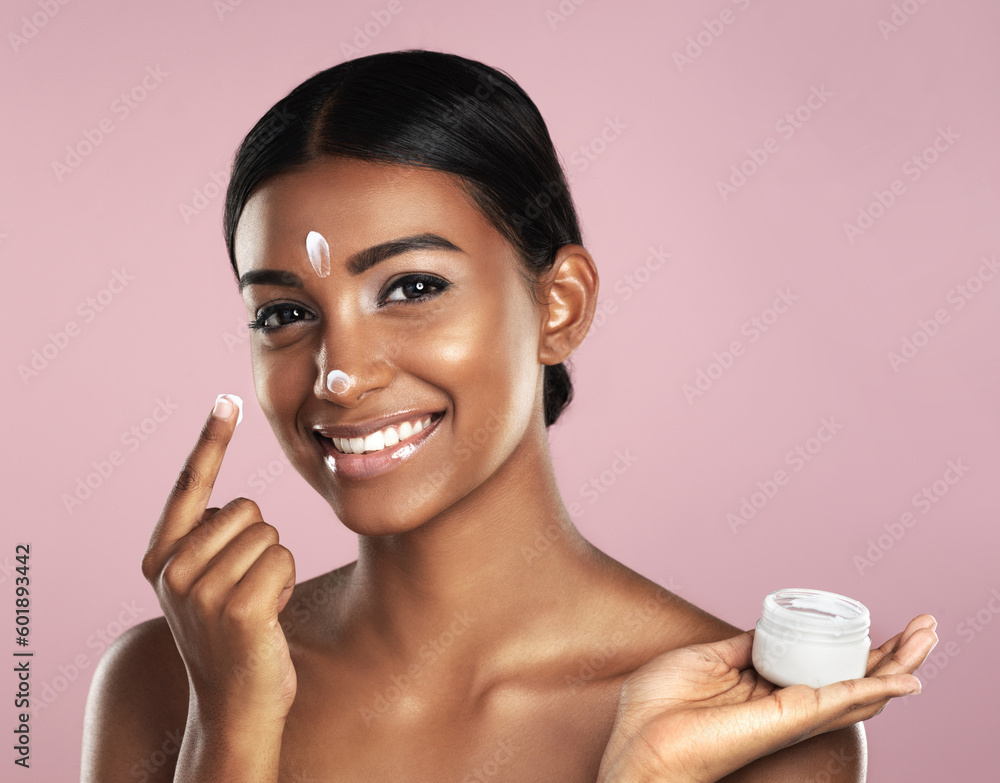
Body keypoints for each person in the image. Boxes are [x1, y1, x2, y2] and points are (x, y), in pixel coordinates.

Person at [81, 49, 937, 782]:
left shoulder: (759, 735)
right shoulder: (165, 679)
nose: (339, 375)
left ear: (559, 305)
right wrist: (229, 730)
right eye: (282, 314)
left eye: (411, 288)